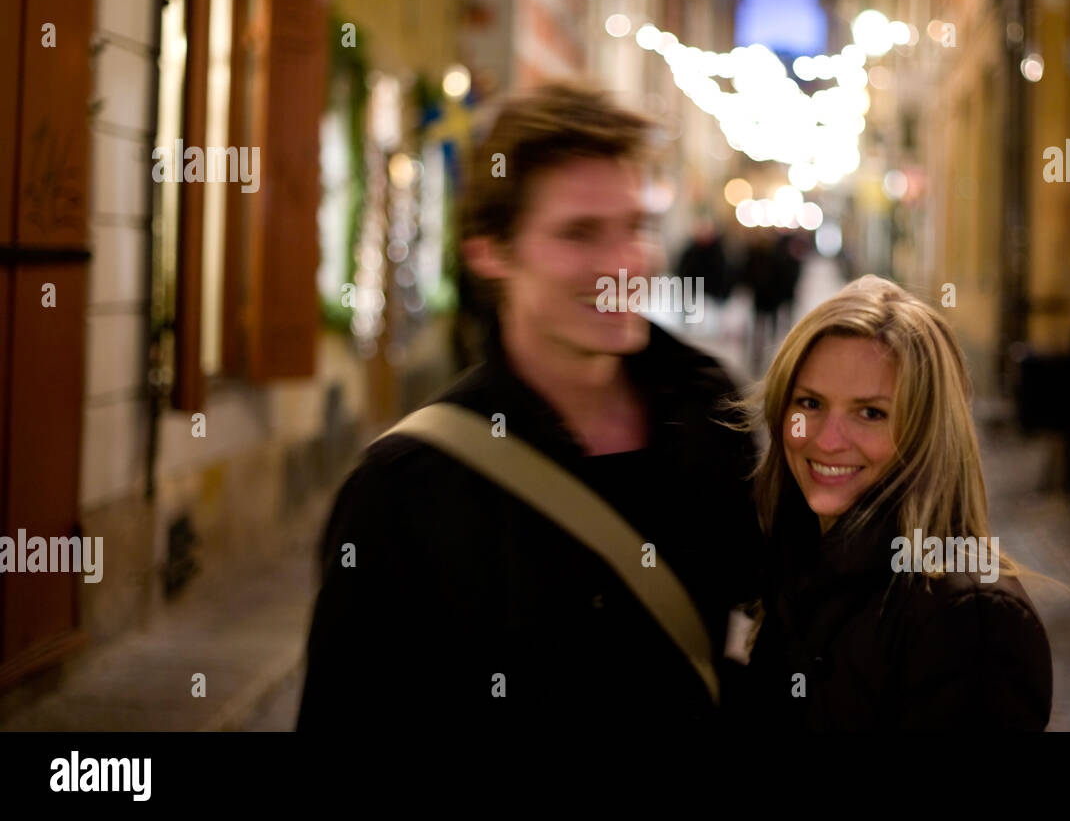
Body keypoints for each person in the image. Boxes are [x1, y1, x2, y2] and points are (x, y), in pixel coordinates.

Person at [297, 81, 761, 729]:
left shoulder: (710, 413)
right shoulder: (407, 487)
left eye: (636, 227)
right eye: (579, 233)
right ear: (490, 251)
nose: (623, 264)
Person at [733, 275, 1053, 730]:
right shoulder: (799, 560)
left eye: (871, 413)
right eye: (810, 403)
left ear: (926, 434)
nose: (826, 440)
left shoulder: (972, 617)